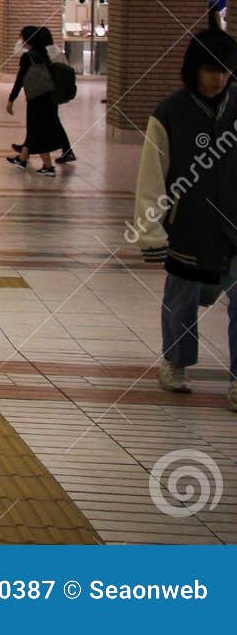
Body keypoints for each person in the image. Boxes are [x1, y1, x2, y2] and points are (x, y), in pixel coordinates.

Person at [132, 29, 237, 407]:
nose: (219, 79)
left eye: (226, 71)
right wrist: (150, 231)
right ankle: (176, 363)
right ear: (193, 70)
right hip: (189, 227)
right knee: (182, 300)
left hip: (233, 228)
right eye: (211, 70)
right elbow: (151, 175)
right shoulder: (169, 114)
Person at [5, 26, 65, 175]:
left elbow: (20, 80)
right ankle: (22, 159)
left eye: (22, 36)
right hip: (49, 97)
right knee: (34, 129)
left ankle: (48, 166)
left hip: (36, 98)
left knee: (37, 130)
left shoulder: (29, 56)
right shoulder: (45, 54)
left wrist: (11, 99)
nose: (20, 39)